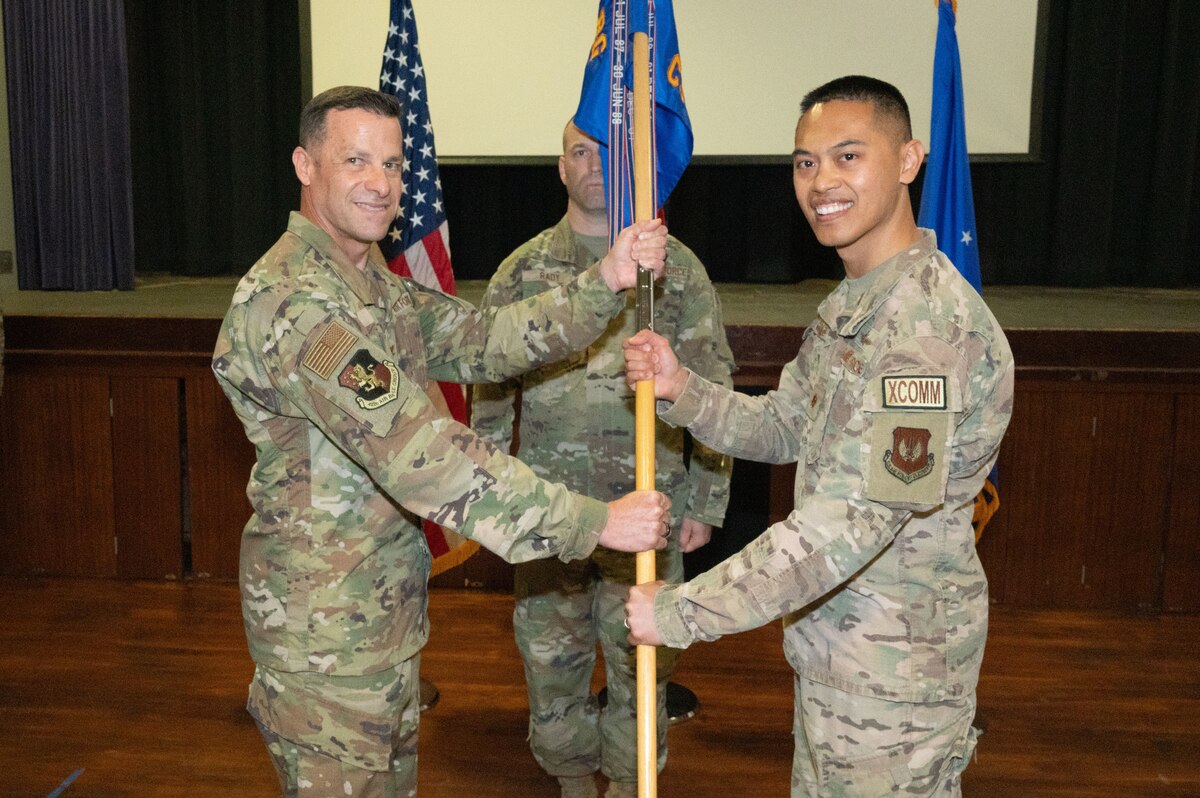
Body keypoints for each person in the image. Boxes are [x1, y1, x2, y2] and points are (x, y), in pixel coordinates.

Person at [212, 86, 675, 797]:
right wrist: (593, 521)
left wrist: (604, 279)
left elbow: (488, 340)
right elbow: (421, 453)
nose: (381, 183)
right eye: (356, 160)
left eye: (393, 165)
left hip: (379, 623)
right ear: (306, 166)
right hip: (328, 640)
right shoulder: (297, 302)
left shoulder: (373, 286)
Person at [622, 75, 1014, 796]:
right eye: (805, 163)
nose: (821, 181)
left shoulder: (926, 327)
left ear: (908, 160)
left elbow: (855, 522)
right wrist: (683, 390)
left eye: (848, 156)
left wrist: (684, 611)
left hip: (894, 687)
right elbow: (785, 425)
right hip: (838, 657)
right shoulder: (852, 305)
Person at [472, 121, 735, 798]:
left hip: (649, 508)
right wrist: (488, 493)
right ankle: (570, 778)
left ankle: (628, 781)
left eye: (608, 153)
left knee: (642, 663)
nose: (592, 166)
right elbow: (491, 385)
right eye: (579, 153)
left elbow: (712, 382)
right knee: (550, 660)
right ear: (560, 167)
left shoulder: (677, 269)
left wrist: (705, 499)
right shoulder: (523, 271)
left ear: (631, 169)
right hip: (549, 514)